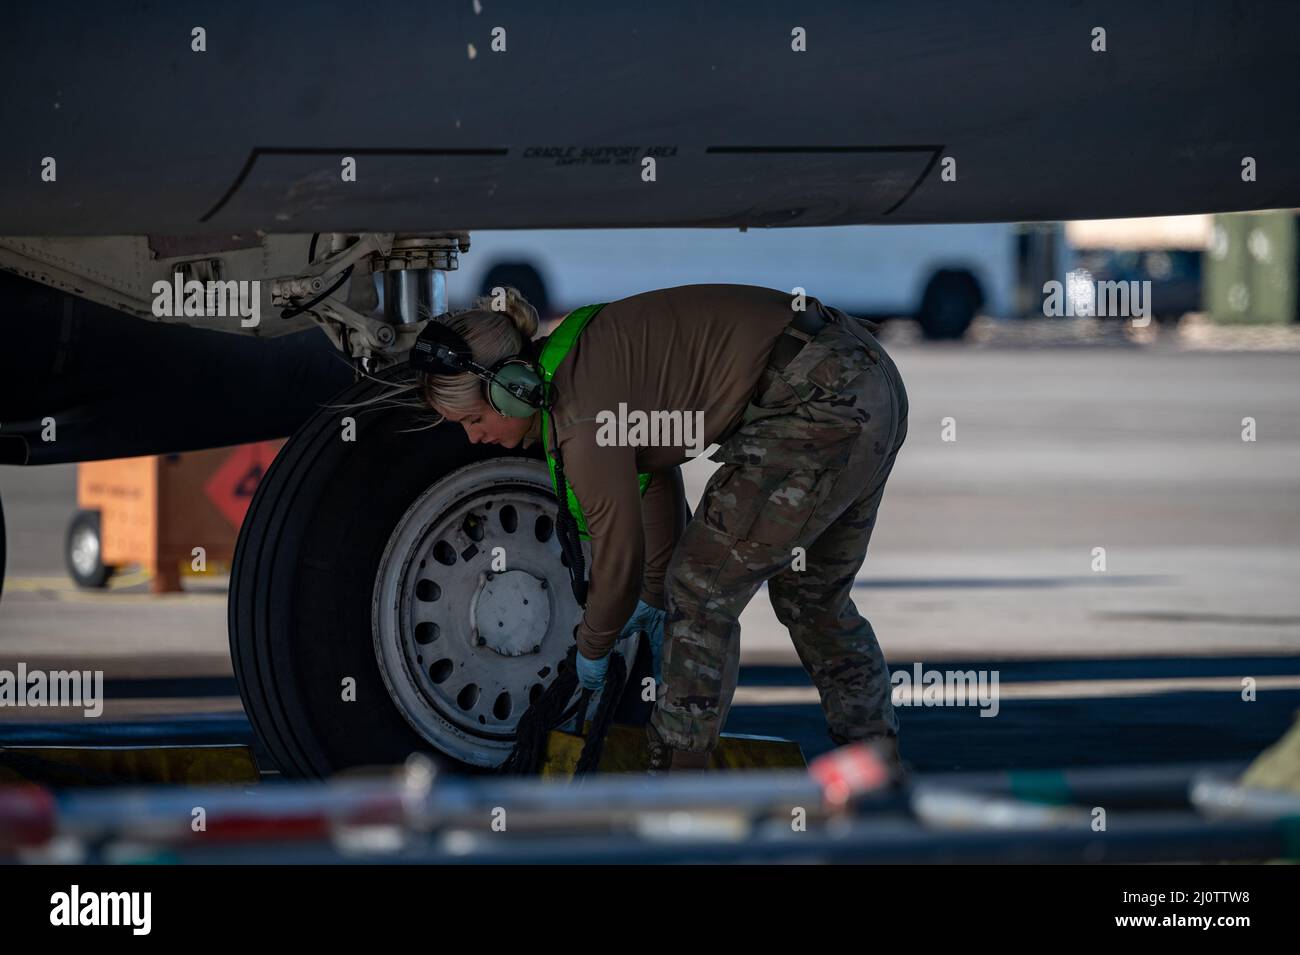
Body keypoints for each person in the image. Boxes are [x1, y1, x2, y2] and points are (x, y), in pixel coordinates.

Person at [418, 283, 908, 772]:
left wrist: (593, 643)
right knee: (813, 600)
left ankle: (680, 779)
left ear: (512, 391)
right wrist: (653, 596)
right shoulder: (580, 362)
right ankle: (875, 761)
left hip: (814, 405)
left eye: (473, 418)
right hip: (863, 379)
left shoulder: (580, 412)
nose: (474, 437)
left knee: (699, 590)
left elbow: (620, 551)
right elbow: (652, 476)